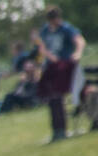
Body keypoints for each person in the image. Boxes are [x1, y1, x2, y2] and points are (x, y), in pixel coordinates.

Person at [34, 6, 86, 143]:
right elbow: (41, 48)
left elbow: (80, 41)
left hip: (65, 66)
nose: (55, 21)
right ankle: (57, 131)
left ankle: (61, 130)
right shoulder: (45, 30)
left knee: (57, 97)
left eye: (56, 18)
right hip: (52, 67)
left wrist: (77, 53)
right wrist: (49, 57)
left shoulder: (66, 28)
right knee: (52, 98)